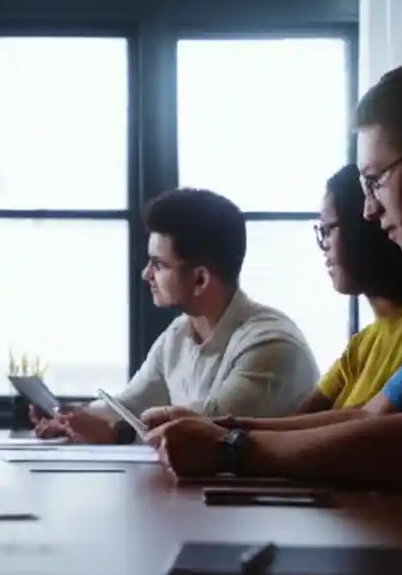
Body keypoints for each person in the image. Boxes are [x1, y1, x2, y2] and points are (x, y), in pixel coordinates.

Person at [144, 60, 402, 513]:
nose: (368, 210)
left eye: (375, 180)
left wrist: (230, 449)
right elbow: (370, 413)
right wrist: (223, 427)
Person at [37, 188, 319, 445]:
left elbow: (209, 427)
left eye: (158, 265)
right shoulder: (178, 335)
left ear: (200, 280)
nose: (146, 274)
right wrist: (71, 419)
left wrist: (115, 434)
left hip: (265, 499)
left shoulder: (271, 346)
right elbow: (130, 403)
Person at [296, 164, 402, 413]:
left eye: (328, 230)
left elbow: (370, 422)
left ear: (363, 228)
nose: (323, 246)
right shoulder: (361, 344)